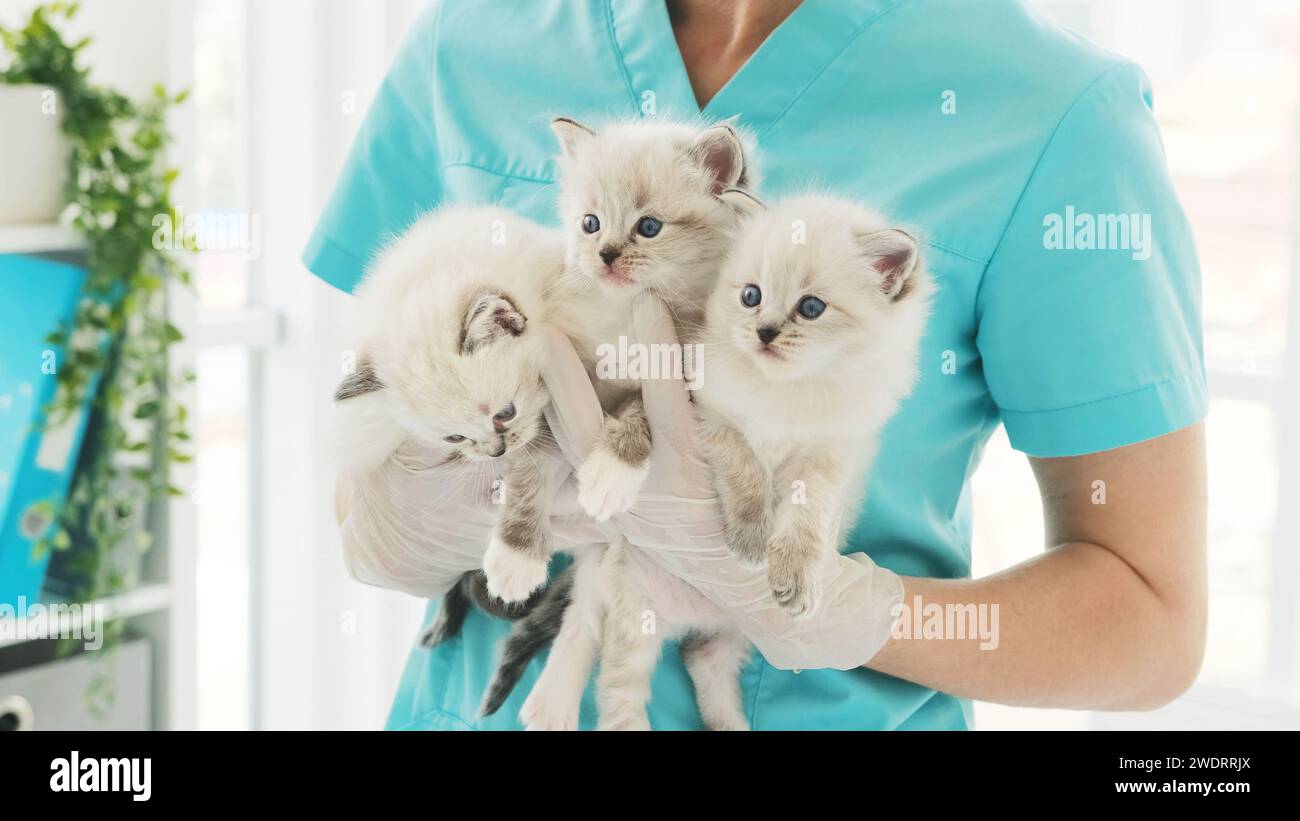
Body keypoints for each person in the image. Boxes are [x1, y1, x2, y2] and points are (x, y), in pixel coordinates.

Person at [304, 0, 1207, 730]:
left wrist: (857, 614)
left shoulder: (1049, 112)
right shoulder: (469, 37)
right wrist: (409, 517)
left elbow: (1150, 620)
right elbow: (364, 454)